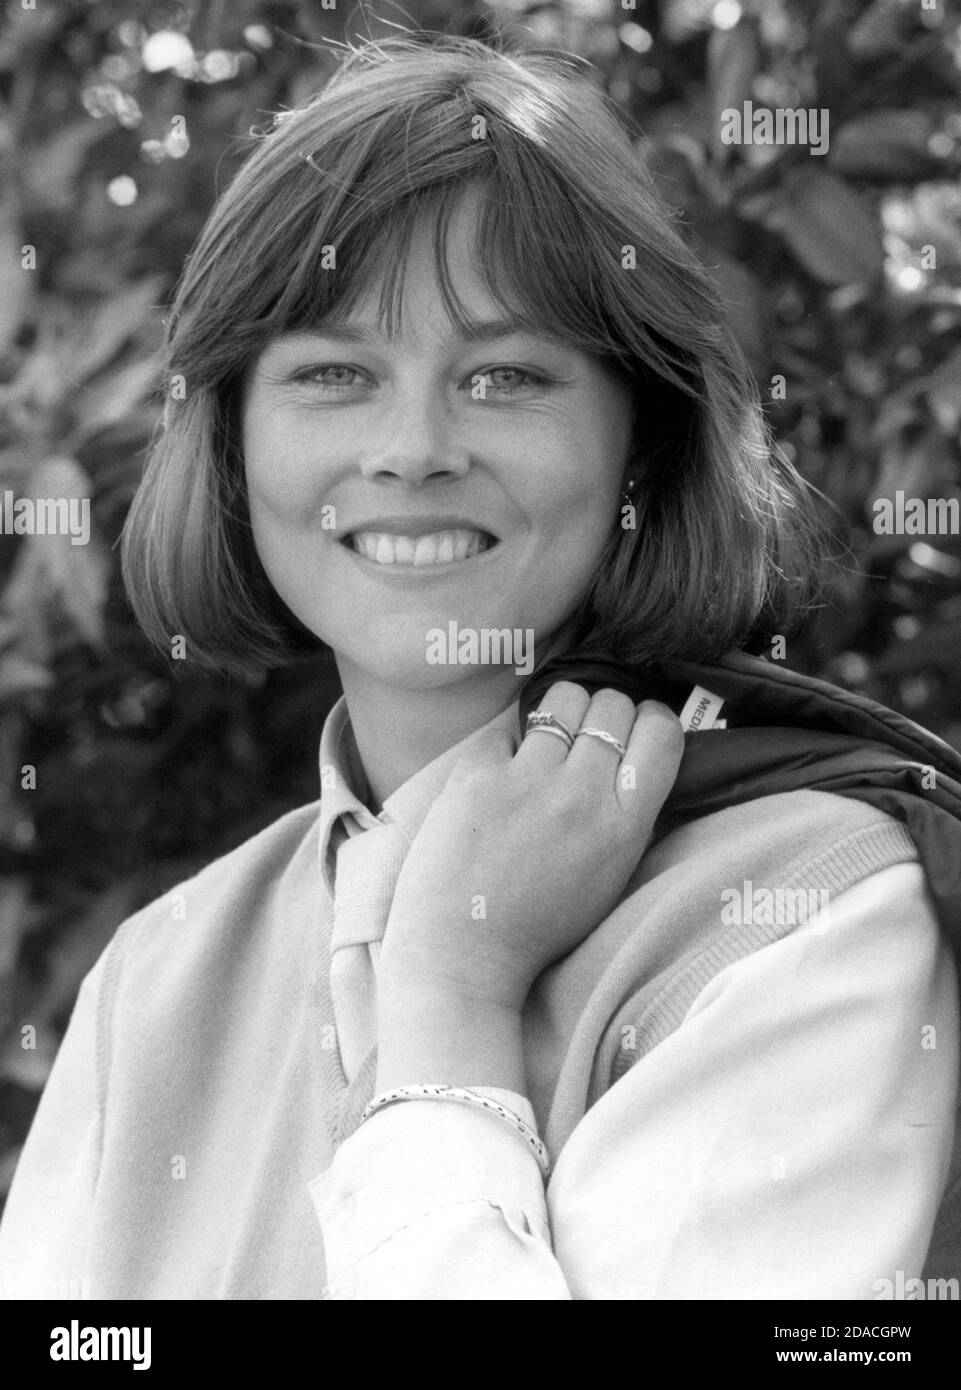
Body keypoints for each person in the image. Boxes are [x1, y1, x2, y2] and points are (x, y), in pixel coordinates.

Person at [1, 33, 959, 1302]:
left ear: (644, 442)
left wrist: (450, 999)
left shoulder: (810, 909)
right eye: (333, 373)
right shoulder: (156, 974)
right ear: (231, 443)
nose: (411, 448)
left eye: (506, 375)